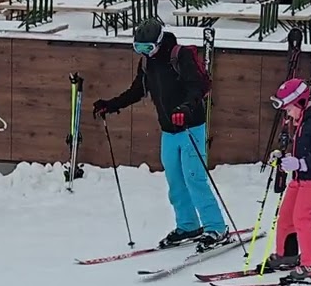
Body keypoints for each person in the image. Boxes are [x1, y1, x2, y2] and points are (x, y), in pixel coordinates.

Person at [91, 17, 229, 251]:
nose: (145, 53)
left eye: (148, 48)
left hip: (190, 128)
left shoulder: (181, 55)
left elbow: (200, 86)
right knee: (175, 183)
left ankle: (216, 227)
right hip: (169, 132)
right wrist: (112, 104)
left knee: (195, 179)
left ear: (159, 41)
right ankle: (188, 225)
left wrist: (186, 108)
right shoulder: (147, 63)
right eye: (139, 48)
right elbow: (137, 90)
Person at [262, 77, 311, 281]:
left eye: (289, 108)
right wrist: (284, 158)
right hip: (299, 178)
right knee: (286, 217)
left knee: (302, 219)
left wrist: (300, 164)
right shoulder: (302, 121)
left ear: (301, 102)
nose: (287, 113)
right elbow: (301, 150)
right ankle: (288, 254)